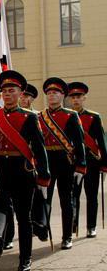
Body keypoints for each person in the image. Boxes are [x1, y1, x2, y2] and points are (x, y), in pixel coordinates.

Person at [0, 71, 50, 271]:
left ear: (20, 93)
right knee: (0, 204)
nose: (7, 94)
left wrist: (43, 176)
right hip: (1, 169)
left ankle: (25, 258)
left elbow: (39, 148)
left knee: (24, 217)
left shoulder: (30, 117)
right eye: (4, 91)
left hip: (22, 169)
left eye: (11, 90)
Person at [33, 78, 86, 250]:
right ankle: (42, 227)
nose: (51, 95)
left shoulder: (71, 115)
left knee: (66, 199)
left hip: (65, 161)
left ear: (63, 95)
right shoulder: (40, 116)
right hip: (46, 160)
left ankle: (67, 236)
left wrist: (81, 165)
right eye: (49, 93)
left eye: (55, 92)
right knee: (44, 196)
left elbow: (79, 142)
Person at [67, 82, 107, 238]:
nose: (76, 100)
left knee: (91, 196)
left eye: (79, 97)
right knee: (73, 195)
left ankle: (91, 226)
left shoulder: (93, 117)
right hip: (73, 161)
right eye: (73, 97)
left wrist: (104, 164)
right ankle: (73, 225)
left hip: (91, 161)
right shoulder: (67, 116)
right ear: (70, 99)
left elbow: (101, 141)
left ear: (84, 98)